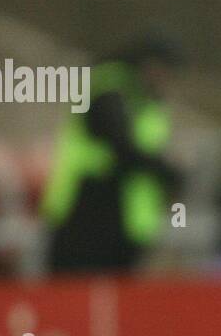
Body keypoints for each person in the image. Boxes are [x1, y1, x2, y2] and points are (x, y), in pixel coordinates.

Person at [41, 33, 184, 274]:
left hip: (126, 222)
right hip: (85, 213)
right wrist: (166, 171)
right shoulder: (108, 88)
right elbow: (120, 142)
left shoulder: (147, 101)